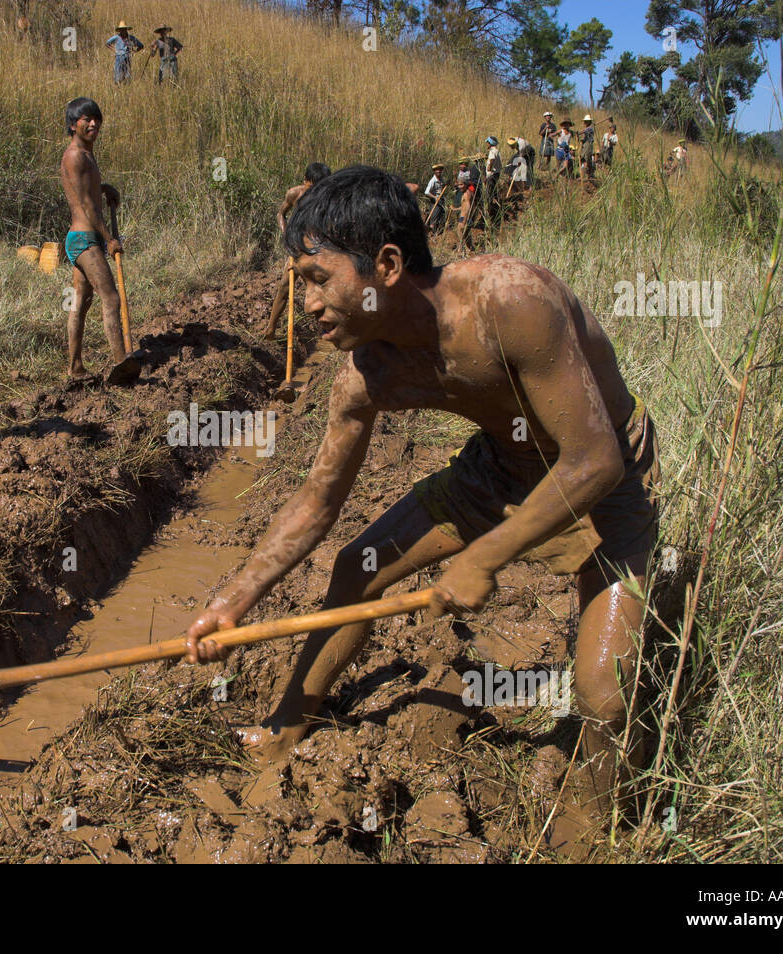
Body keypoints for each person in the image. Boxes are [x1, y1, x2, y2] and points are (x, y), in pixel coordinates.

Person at [185, 166, 661, 836]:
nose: (308, 305)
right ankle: (288, 726)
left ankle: (597, 834)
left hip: (603, 476)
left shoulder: (510, 304)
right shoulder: (365, 374)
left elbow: (595, 459)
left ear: (385, 264)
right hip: (499, 468)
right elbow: (317, 501)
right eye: (301, 284)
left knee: (604, 698)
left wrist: (486, 556)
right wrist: (236, 598)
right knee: (358, 568)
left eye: (319, 279)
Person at [59, 97, 131, 383]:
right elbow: (87, 205)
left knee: (80, 303)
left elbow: (87, 190)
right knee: (111, 298)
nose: (93, 124)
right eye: (86, 119)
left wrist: (104, 188)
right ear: (72, 124)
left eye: (96, 119)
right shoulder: (75, 155)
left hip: (84, 238)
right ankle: (121, 363)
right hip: (84, 240)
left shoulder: (86, 154)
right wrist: (109, 239)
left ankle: (75, 368)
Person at [263, 162, 331, 339]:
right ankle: (270, 329)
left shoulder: (327, 198)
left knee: (323, 288)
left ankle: (328, 327)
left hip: (317, 248)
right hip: (296, 248)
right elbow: (281, 214)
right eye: (314, 185)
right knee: (285, 286)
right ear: (306, 181)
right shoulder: (295, 194)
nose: (317, 190)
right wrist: (287, 235)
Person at [580, 114, 596, 181]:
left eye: (587, 121)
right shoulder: (587, 129)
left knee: (587, 159)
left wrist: (578, 133)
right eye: (585, 121)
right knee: (582, 159)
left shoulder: (590, 129)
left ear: (589, 122)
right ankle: (584, 175)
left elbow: (584, 132)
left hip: (588, 145)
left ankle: (586, 175)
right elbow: (583, 137)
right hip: (585, 145)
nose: (585, 123)